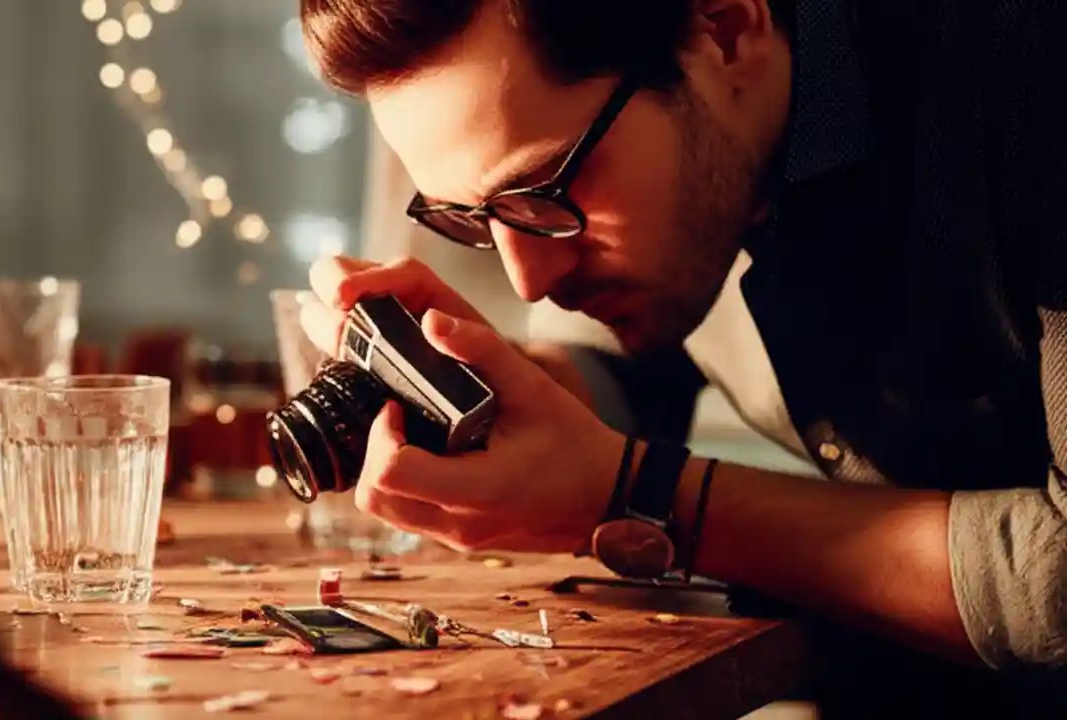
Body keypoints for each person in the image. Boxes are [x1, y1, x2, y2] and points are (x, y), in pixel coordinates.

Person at [295, 0, 1066, 713]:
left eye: (544, 194)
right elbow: (623, 372)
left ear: (726, 31)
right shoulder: (668, 158)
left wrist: (636, 494)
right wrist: (483, 392)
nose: (530, 279)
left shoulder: (1029, 70)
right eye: (472, 219)